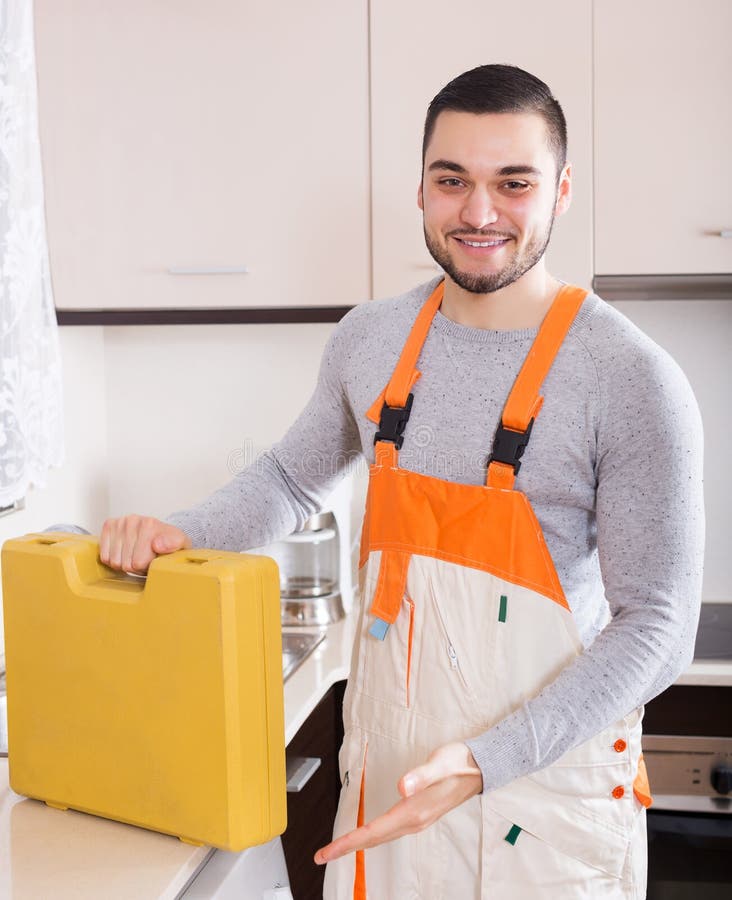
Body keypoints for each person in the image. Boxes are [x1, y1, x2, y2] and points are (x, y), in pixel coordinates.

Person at [100, 65, 704, 899]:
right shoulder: (371, 340)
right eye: (452, 180)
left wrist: (482, 764)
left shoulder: (631, 378)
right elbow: (288, 477)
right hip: (390, 785)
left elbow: (660, 630)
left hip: (541, 803)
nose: (479, 212)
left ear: (561, 191)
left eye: (513, 183)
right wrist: (182, 532)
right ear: (420, 189)